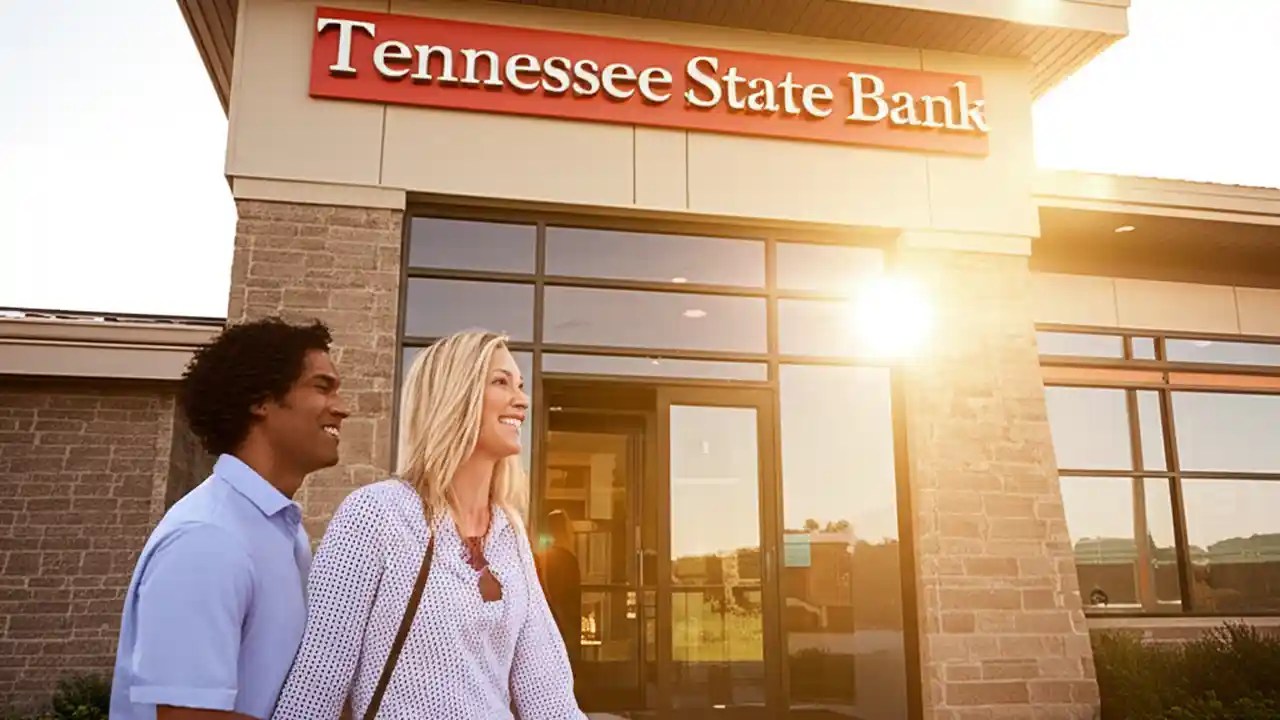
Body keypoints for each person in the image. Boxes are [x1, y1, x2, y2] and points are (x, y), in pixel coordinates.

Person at [270, 330, 585, 720]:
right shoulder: (374, 514)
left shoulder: (510, 532)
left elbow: (547, 691)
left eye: (519, 385)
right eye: (501, 382)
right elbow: (317, 683)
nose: (521, 400)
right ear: (456, 395)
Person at [109, 317, 349, 720]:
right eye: (322, 387)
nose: (342, 408)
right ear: (261, 400)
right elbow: (189, 717)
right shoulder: (207, 538)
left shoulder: (286, 536)